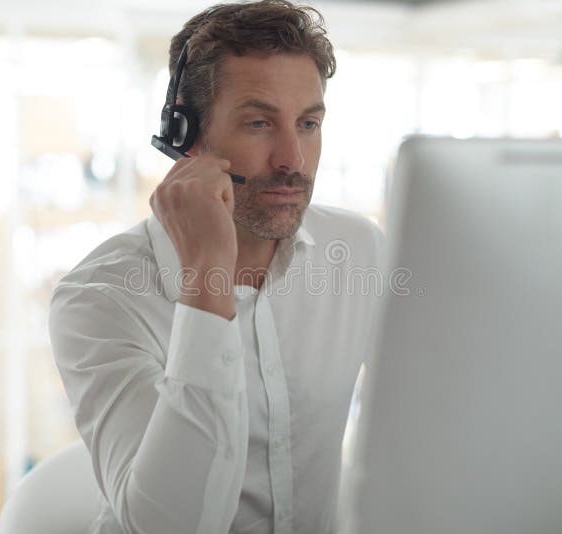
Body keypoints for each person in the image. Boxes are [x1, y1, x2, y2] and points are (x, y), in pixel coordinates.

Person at [49, 1, 385, 532]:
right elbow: (169, 525)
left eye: (308, 123)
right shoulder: (98, 296)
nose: (293, 159)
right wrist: (207, 276)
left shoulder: (359, 249)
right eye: (259, 123)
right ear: (188, 135)